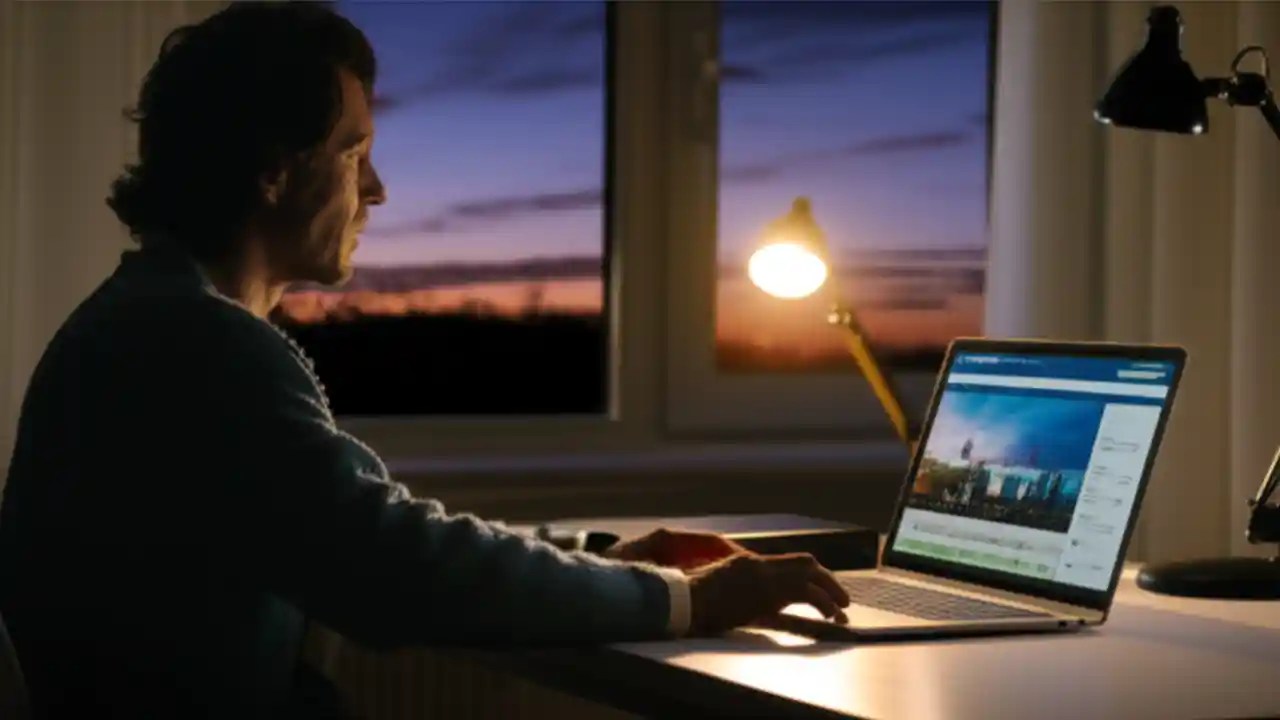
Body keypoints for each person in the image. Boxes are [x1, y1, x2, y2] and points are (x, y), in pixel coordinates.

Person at [0, 3, 850, 718]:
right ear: (273, 171)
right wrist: (689, 599)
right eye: (353, 154)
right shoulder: (198, 347)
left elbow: (367, 531)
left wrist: (602, 567)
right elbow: (395, 563)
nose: (375, 190)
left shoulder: (149, 320)